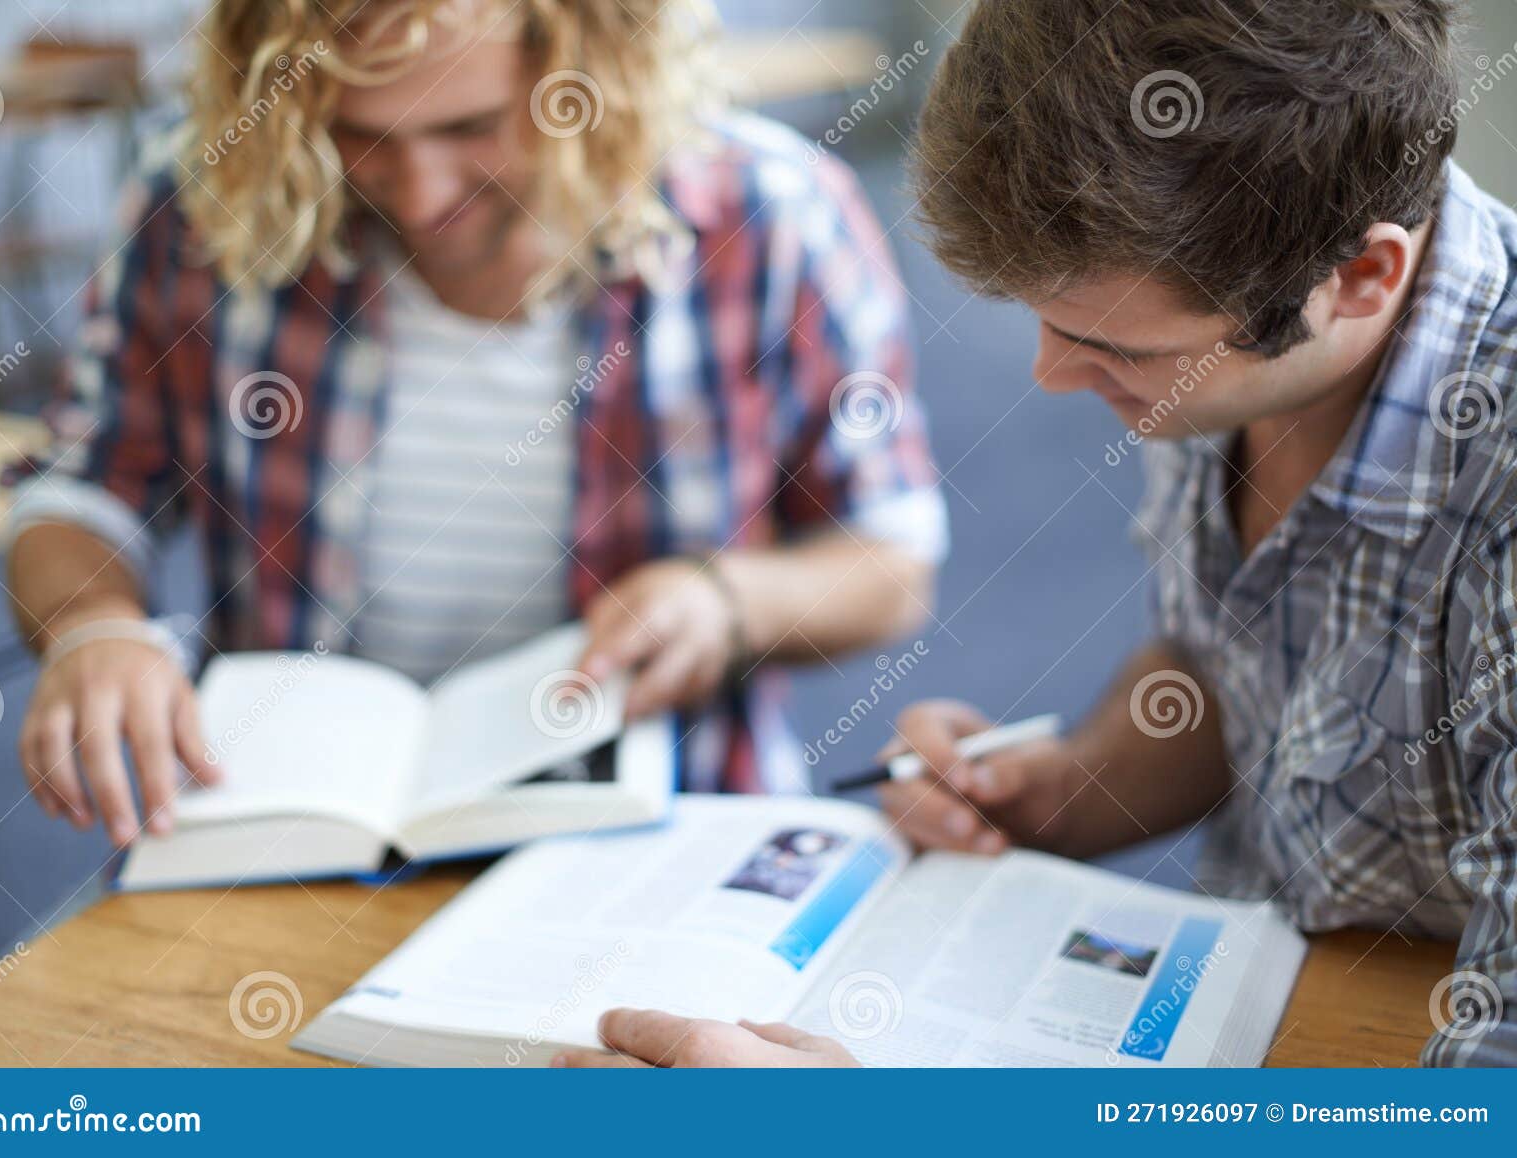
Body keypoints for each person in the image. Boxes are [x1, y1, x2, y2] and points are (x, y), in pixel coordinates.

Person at [559, 0, 1517, 1068]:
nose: (1050, 377)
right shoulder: (1225, 327)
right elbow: (1245, 668)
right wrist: (1063, 789)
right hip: (1262, 987)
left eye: (1107, 345)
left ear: (1359, 278)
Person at [4, 0, 947, 847]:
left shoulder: (774, 216)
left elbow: (890, 564)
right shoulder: (207, 195)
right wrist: (92, 627)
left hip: (661, 832)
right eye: (359, 136)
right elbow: (84, 486)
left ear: (591, 65)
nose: (420, 197)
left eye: (472, 127)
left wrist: (726, 603)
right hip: (289, 830)